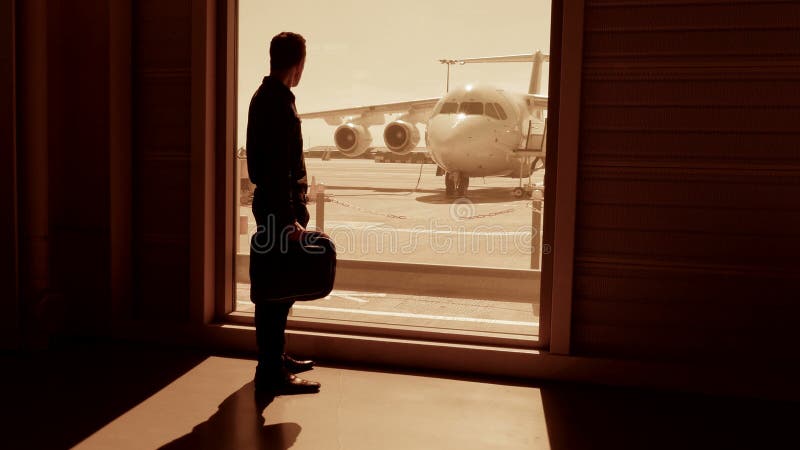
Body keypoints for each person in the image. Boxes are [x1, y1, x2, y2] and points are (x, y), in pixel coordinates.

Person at [247, 31, 320, 396]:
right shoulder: (276, 102)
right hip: (280, 209)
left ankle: (276, 357)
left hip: (277, 206)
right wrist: (289, 216)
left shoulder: (267, 97)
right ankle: (271, 370)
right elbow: (277, 168)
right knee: (276, 291)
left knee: (280, 288)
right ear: (299, 64)